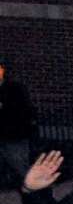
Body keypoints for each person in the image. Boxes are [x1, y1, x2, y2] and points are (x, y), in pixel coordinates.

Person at [0, 58, 35, 186]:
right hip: (4, 135)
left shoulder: (14, 88)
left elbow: (24, 109)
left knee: (21, 166)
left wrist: (4, 107)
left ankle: (37, 194)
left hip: (14, 135)